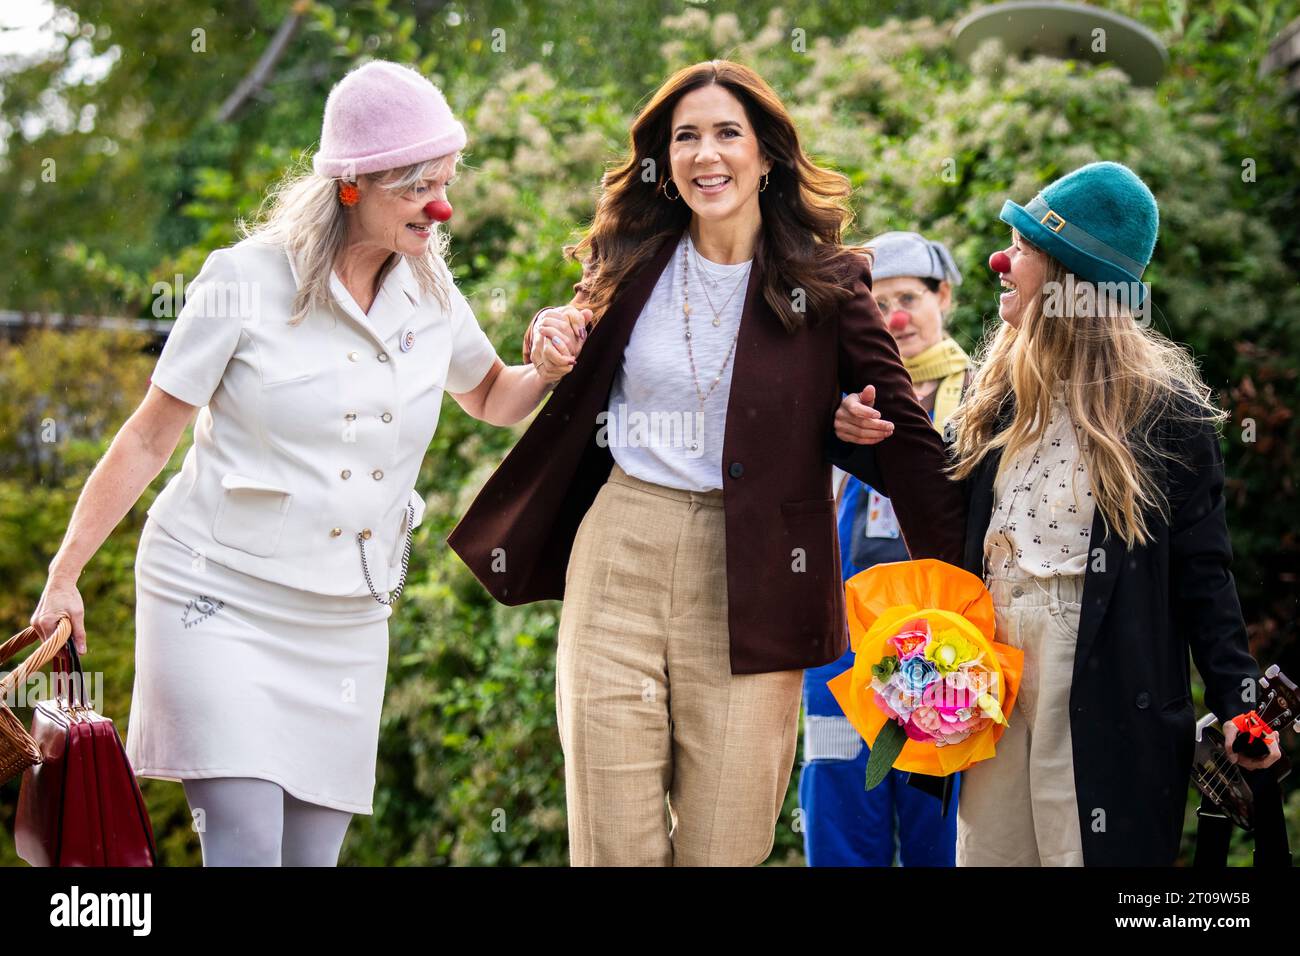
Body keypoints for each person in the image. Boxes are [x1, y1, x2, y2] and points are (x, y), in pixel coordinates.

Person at [28, 60, 584, 867]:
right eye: (416, 186)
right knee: (248, 847)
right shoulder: (242, 281)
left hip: (347, 616)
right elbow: (151, 436)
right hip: (216, 594)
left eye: (447, 180)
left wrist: (549, 370)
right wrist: (65, 572)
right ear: (352, 185)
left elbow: (493, 394)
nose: (442, 206)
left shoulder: (431, 291)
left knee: (308, 862)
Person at [447, 59, 965, 867]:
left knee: (727, 843)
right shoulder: (629, 259)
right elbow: (570, 347)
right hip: (621, 548)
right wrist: (552, 331)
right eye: (685, 136)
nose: (705, 153)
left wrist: (973, 587)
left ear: (767, 157)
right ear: (665, 159)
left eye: (728, 133)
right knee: (612, 843)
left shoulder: (828, 283)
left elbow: (906, 440)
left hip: (760, 570)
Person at [830, 161, 1281, 866]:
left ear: (1073, 278)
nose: (1001, 261)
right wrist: (854, 433)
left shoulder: (1164, 412)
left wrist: (1239, 699)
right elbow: (935, 487)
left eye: (1025, 248)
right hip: (995, 663)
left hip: (1103, 672)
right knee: (992, 851)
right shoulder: (1000, 388)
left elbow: (1205, 576)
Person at [801, 231, 971, 867]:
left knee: (940, 816)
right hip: (842, 640)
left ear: (943, 297)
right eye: (878, 304)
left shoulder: (985, 393)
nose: (896, 317)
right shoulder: (837, 397)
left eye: (908, 298)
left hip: (947, 636)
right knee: (842, 807)